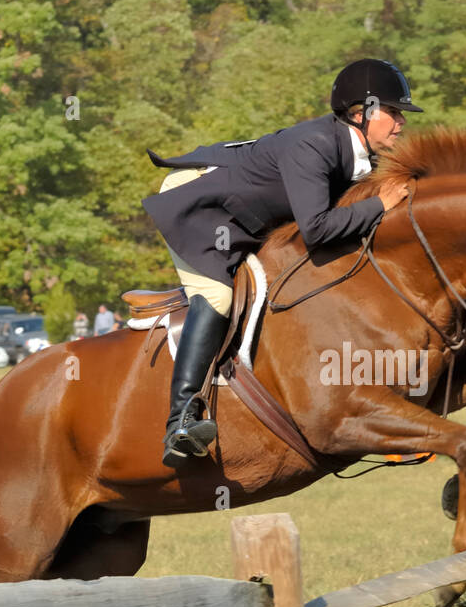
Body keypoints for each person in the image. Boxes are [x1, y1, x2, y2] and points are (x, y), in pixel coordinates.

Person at [142, 58, 422, 468]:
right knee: (218, 296)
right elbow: (319, 229)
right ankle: (181, 422)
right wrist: (380, 204)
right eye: (394, 112)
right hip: (201, 206)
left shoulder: (357, 156)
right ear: (361, 113)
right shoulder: (314, 145)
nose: (401, 122)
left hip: (246, 218)